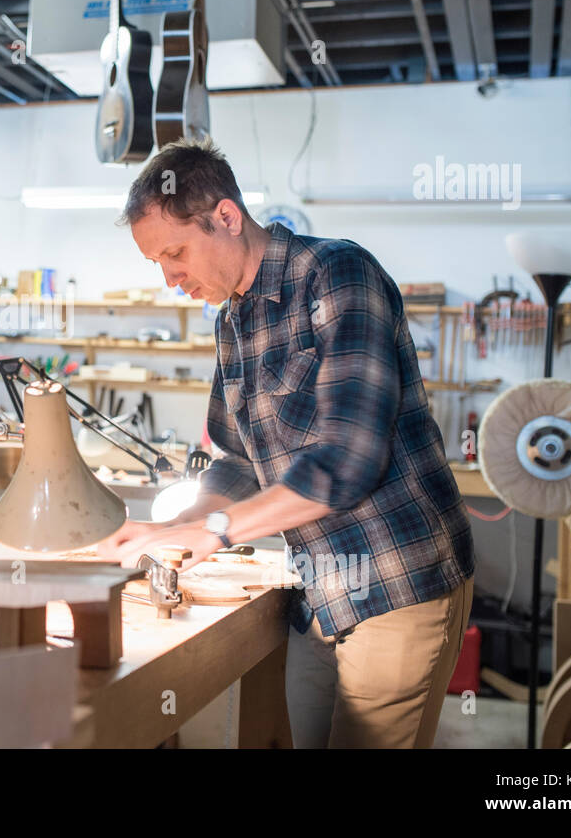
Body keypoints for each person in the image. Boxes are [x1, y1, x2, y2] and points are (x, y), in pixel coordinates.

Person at [102, 138, 475, 748]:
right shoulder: (231, 320)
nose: (172, 280)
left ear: (226, 217)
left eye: (175, 254)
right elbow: (234, 457)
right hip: (319, 590)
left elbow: (347, 462)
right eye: (157, 265)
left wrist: (215, 531)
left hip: (396, 578)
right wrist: (172, 529)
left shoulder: (336, 274)